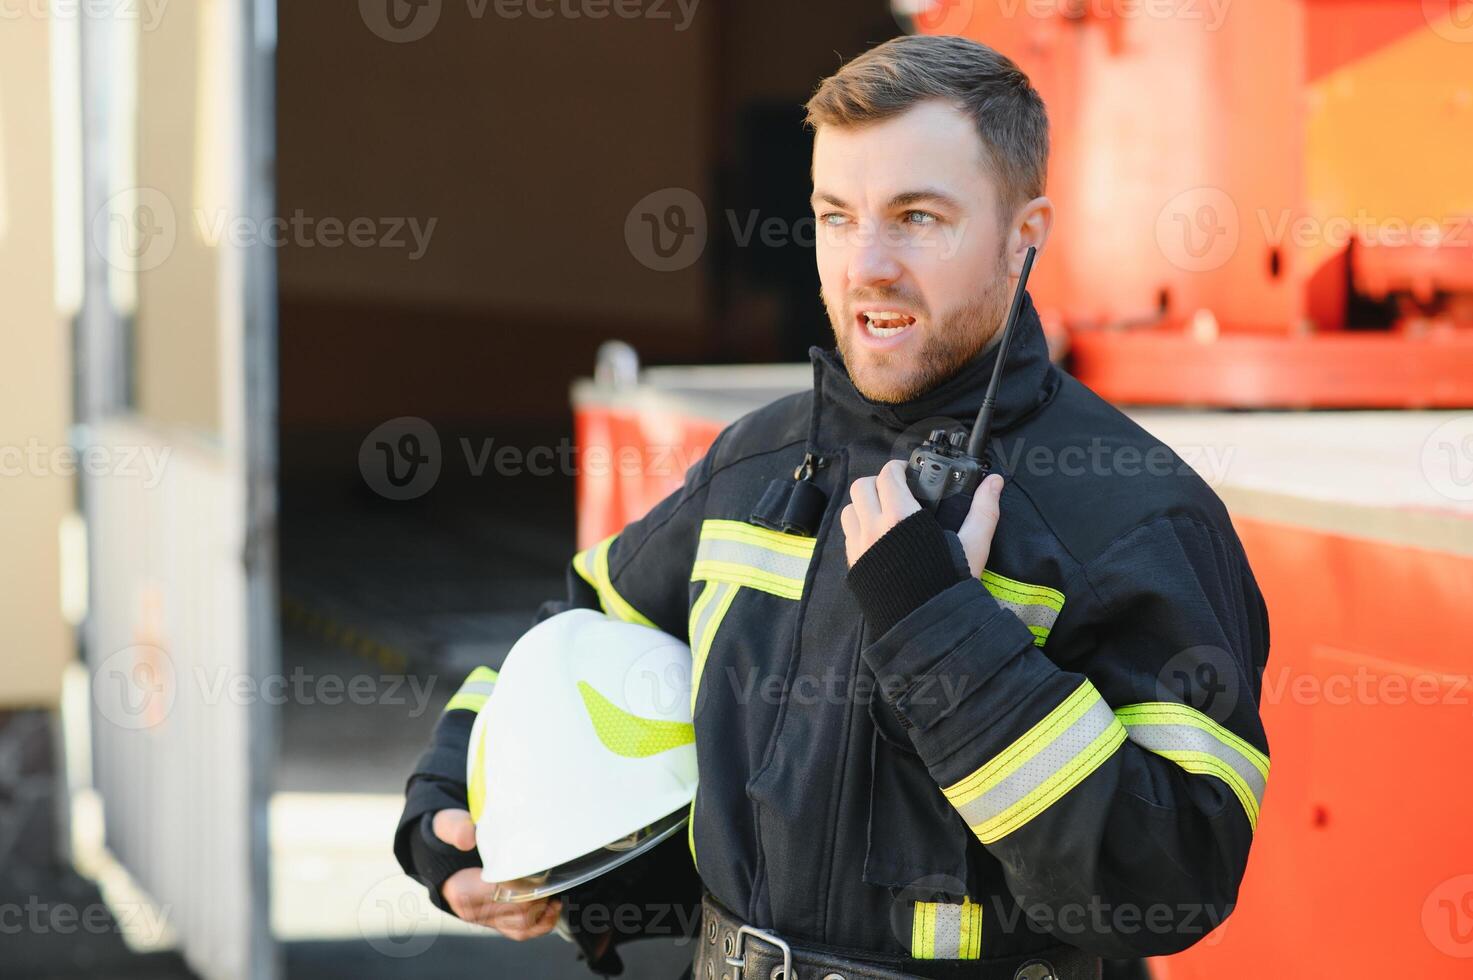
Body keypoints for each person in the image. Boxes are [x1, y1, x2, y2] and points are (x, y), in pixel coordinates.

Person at [395, 33, 1270, 980]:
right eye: (836, 216)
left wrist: (946, 635)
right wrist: (453, 797)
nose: (868, 265)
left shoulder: (1134, 513)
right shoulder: (755, 462)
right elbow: (581, 629)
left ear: (1025, 232)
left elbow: (1174, 878)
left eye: (918, 217)